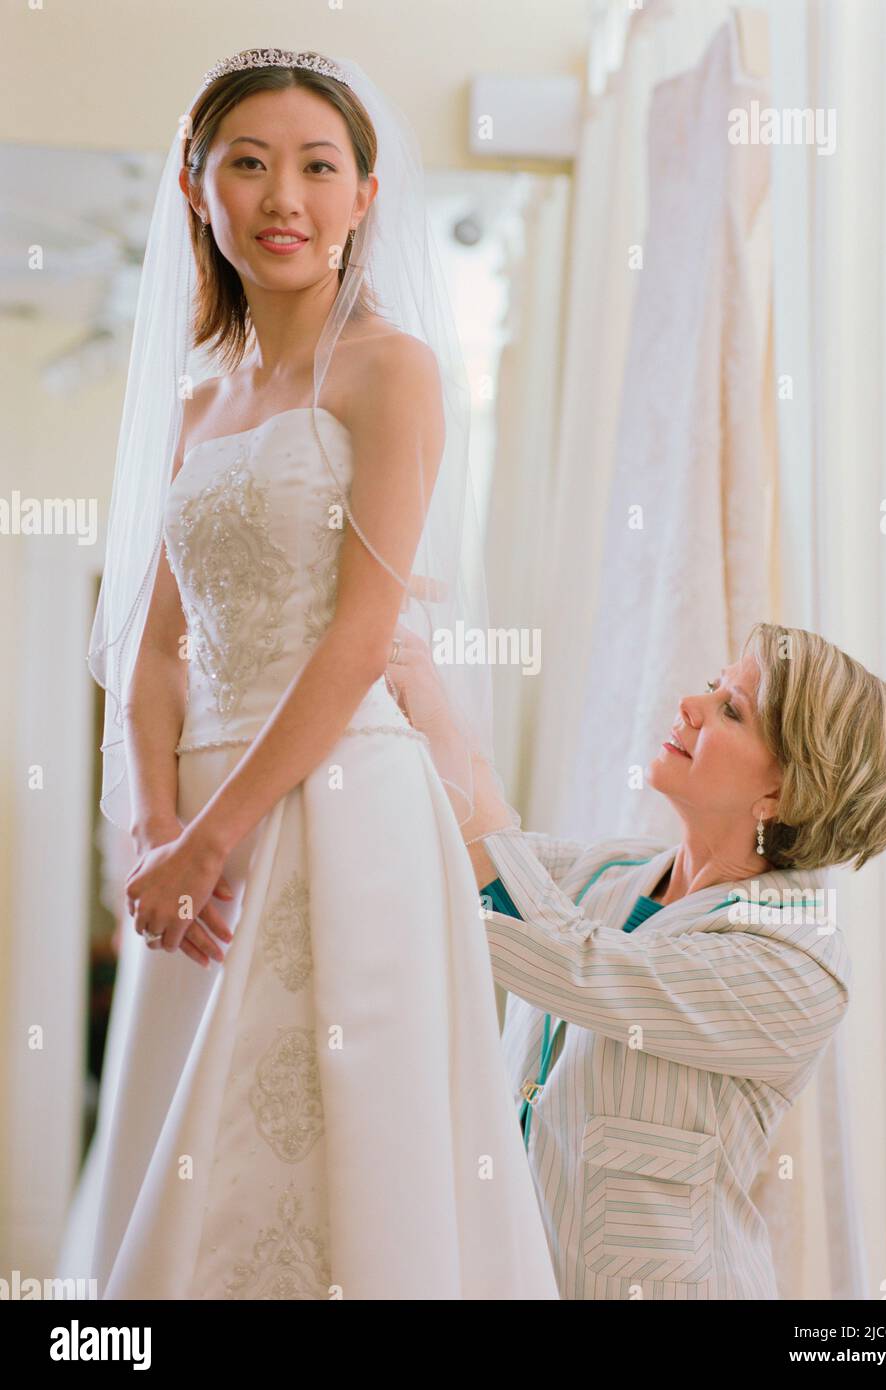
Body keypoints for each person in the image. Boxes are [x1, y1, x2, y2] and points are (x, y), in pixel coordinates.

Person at [58, 49, 558, 1301]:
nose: (283, 194)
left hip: (346, 810)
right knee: (193, 1155)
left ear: (363, 196)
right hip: (199, 844)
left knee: (345, 1152)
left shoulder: (389, 369)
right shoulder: (197, 408)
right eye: (247, 162)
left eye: (316, 166)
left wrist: (209, 837)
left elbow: (356, 640)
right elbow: (157, 648)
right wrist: (159, 830)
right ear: (196, 190)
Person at [386, 620, 886, 1299]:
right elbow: (477, 862)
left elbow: (569, 957)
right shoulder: (618, 869)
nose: (690, 707)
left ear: (784, 794)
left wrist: (450, 733)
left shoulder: (800, 965)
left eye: (731, 710)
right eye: (713, 687)